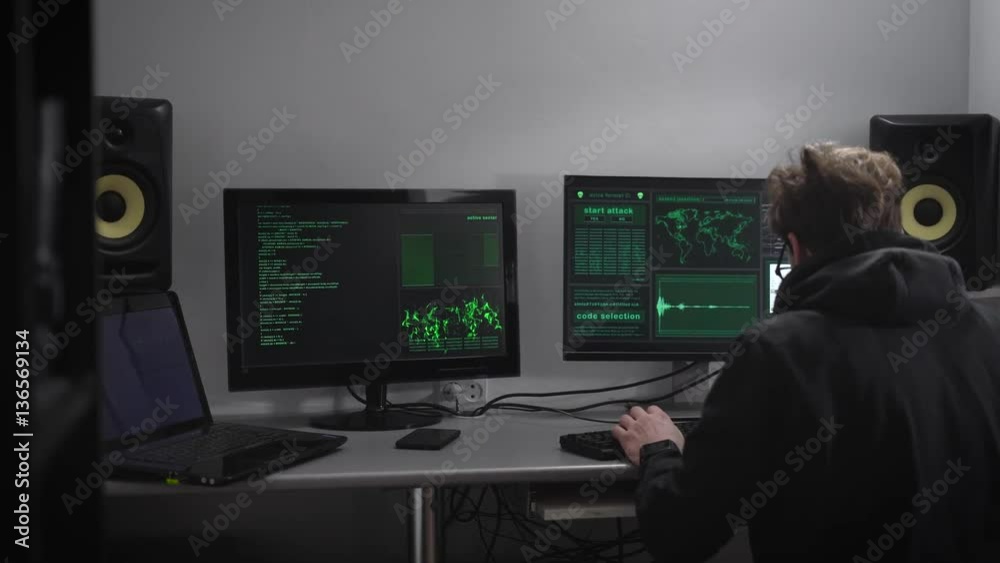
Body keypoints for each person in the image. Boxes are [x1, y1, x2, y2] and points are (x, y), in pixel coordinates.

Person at [612, 143, 1000, 562]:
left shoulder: (778, 352)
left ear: (795, 247)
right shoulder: (986, 327)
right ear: (895, 225)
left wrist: (660, 450)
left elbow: (679, 536)